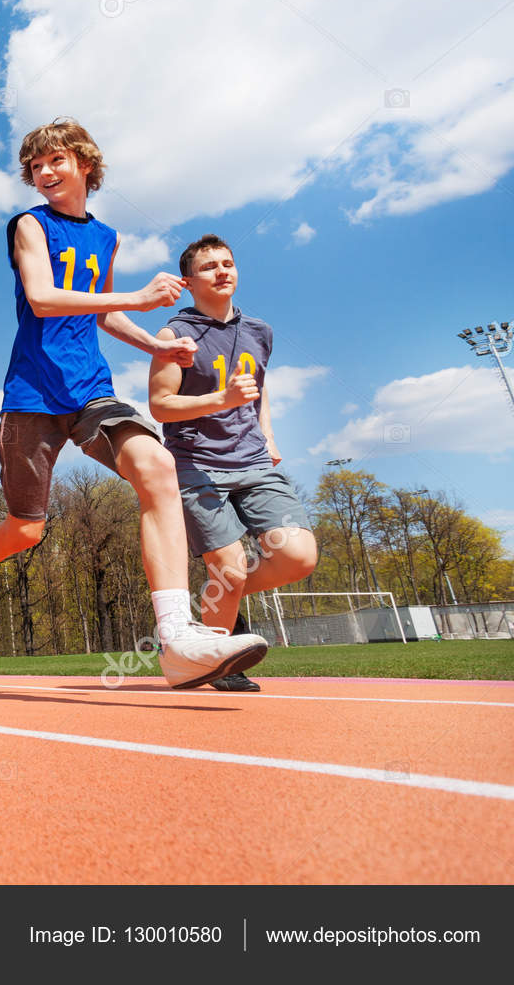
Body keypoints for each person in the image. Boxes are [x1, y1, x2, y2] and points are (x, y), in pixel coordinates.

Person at [0, 119, 267, 689]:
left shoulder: (106, 236)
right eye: (35, 166)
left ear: (85, 164)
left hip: (93, 390)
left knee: (157, 469)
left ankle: (177, 636)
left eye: (55, 161)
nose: (43, 172)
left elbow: (102, 313)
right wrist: (140, 300)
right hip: (33, 395)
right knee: (25, 529)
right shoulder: (28, 226)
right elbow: (42, 298)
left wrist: (155, 342)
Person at [147, 235, 317, 691]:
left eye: (228, 263)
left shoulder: (260, 331)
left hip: (254, 460)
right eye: (209, 267)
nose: (222, 271)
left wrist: (269, 432)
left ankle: (218, 598)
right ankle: (218, 658)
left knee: (299, 556)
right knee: (229, 566)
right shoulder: (173, 334)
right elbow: (160, 406)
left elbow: (257, 389)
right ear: (188, 281)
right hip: (197, 464)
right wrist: (218, 400)